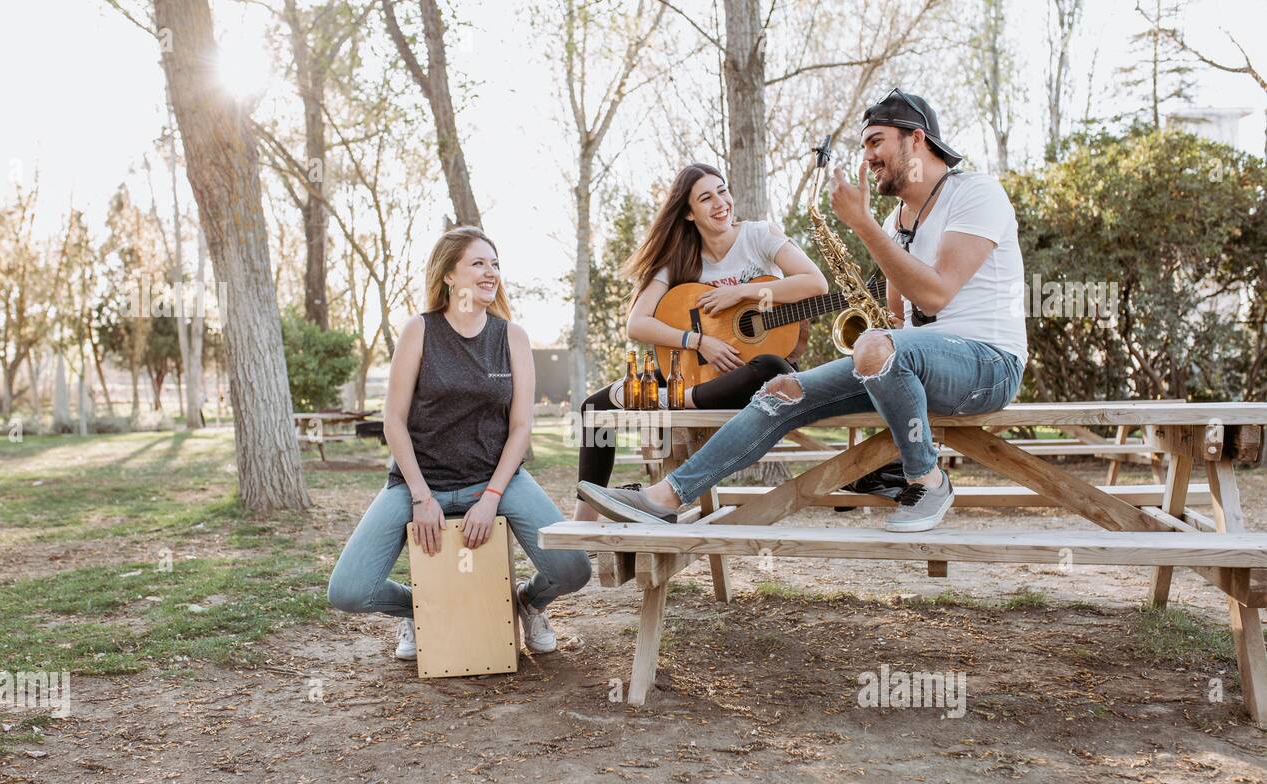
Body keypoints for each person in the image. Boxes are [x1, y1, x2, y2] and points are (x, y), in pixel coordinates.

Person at [578, 89, 1027, 534]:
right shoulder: (898, 222)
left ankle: (925, 479)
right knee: (780, 388)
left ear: (916, 140)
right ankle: (664, 498)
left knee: (872, 347)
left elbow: (936, 296)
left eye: (876, 141)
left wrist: (862, 225)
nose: (867, 156)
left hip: (988, 364)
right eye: (865, 145)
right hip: (914, 364)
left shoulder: (974, 193)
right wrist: (885, 309)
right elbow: (900, 314)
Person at [328, 226, 591, 658]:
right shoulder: (420, 331)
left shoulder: (512, 337)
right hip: (418, 482)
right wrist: (419, 495)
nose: (491, 273)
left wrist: (490, 497)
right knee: (348, 591)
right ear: (450, 275)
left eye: (495, 264)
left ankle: (526, 602)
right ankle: (419, 610)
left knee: (573, 569)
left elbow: (521, 427)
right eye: (478, 263)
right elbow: (393, 422)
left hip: (493, 479)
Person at [572, 162, 829, 520]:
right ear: (689, 213)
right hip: (695, 373)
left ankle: (669, 401)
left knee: (773, 368)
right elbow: (638, 323)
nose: (720, 202)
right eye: (706, 198)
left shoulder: (760, 235)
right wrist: (697, 341)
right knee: (594, 408)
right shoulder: (681, 258)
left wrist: (740, 293)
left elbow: (816, 283)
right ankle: (584, 522)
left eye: (722, 191)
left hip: (748, 379)